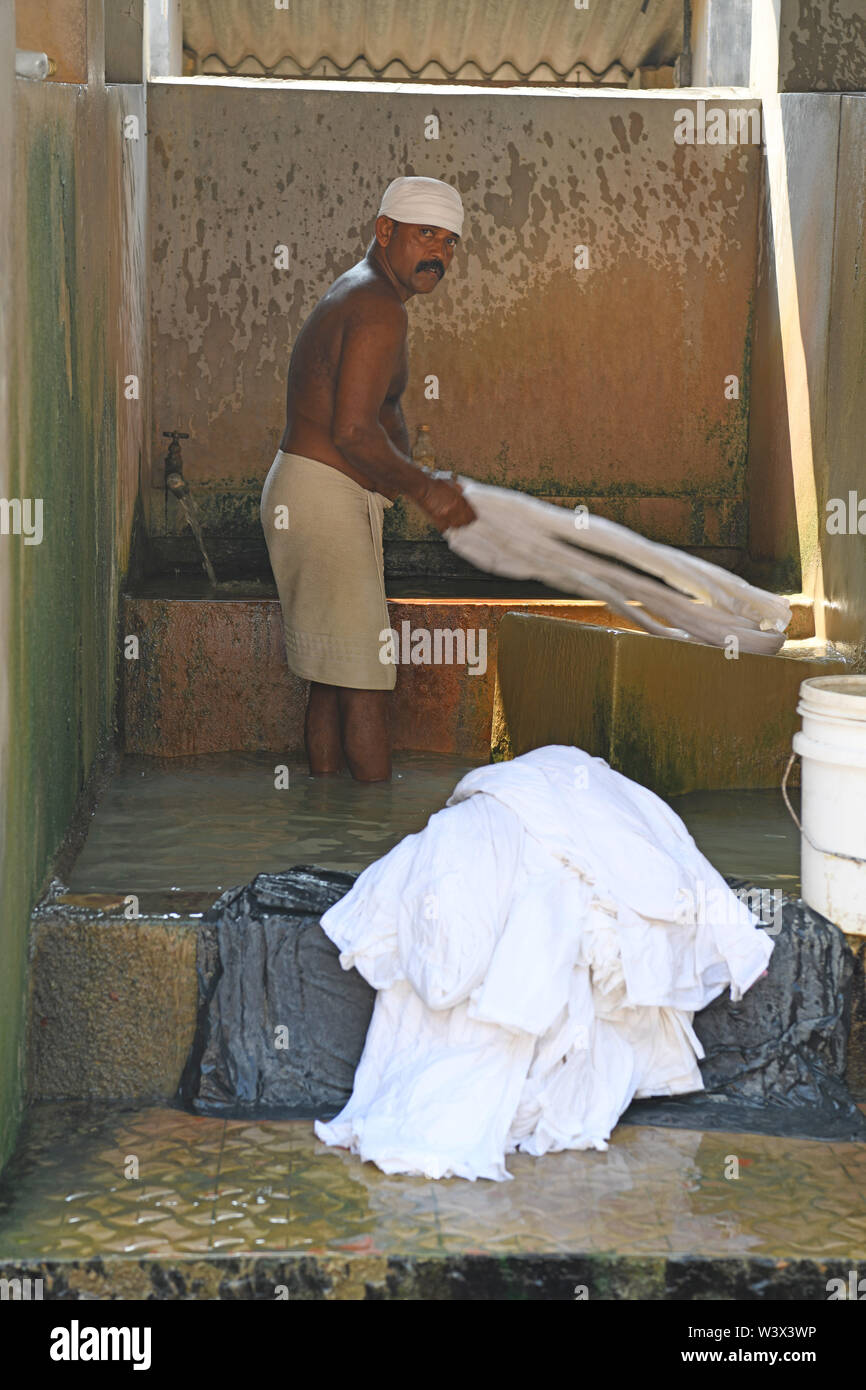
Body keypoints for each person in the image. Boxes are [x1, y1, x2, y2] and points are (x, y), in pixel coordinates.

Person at [261, 175, 477, 784]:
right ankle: (375, 843)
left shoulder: (359, 294)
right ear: (385, 232)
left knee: (334, 679)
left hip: (308, 495)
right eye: (425, 235)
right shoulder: (379, 309)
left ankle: (331, 832)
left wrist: (411, 478)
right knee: (365, 685)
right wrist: (425, 488)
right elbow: (353, 432)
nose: (439, 253)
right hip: (323, 499)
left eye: (451, 242)